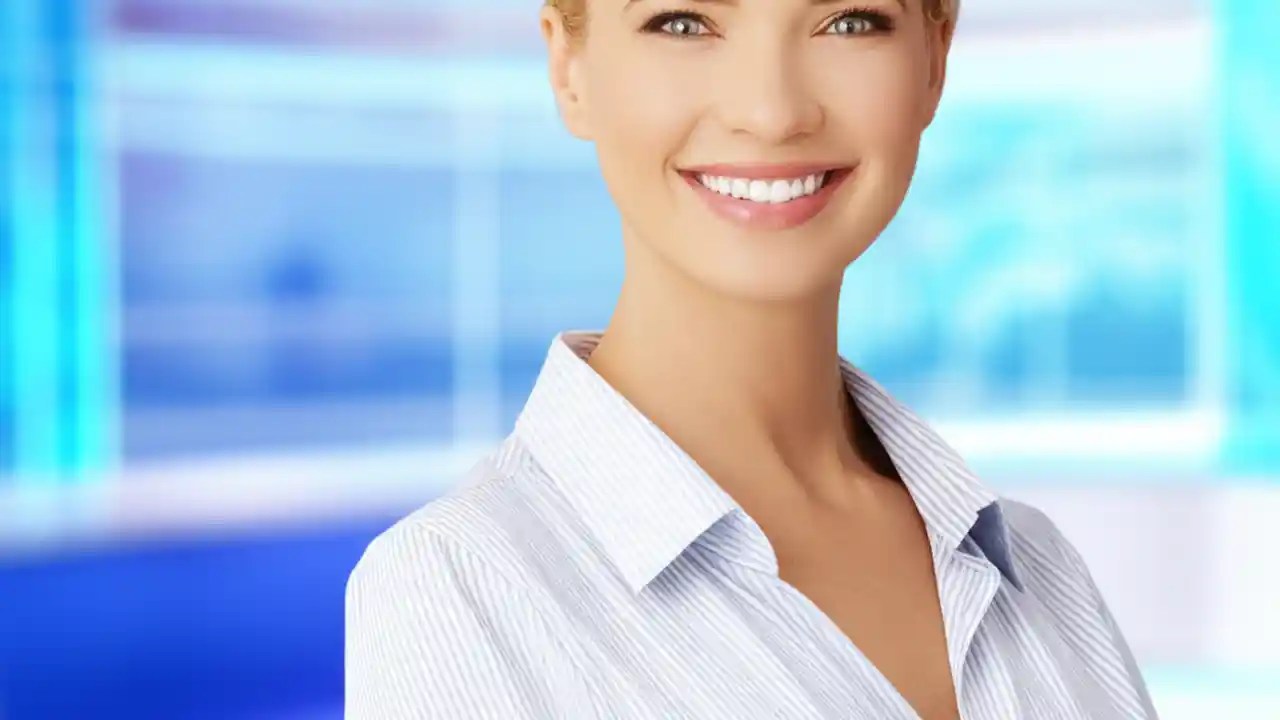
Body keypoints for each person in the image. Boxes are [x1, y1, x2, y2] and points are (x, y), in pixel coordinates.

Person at [345, 0, 1159, 717]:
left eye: (849, 21)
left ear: (934, 61)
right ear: (570, 69)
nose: (771, 112)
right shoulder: (460, 588)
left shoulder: (1040, 571)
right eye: (683, 22)